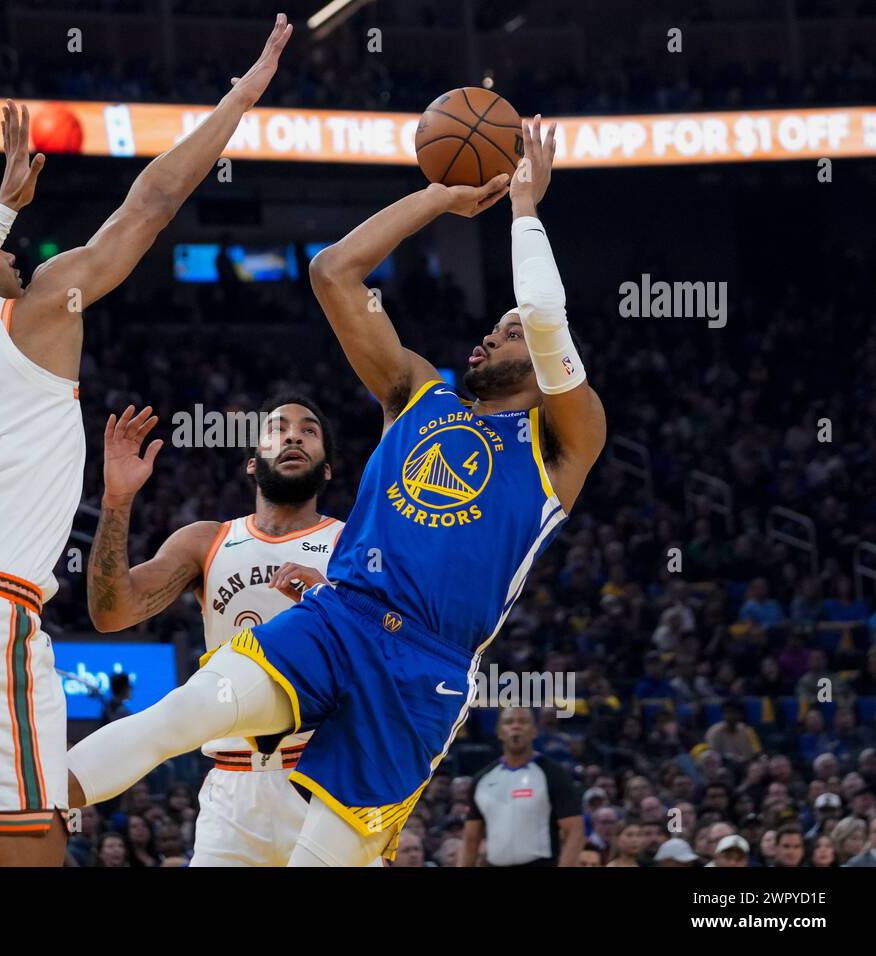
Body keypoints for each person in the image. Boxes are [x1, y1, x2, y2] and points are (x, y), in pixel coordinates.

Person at [66, 117, 607, 865]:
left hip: (427, 667)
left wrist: (523, 208)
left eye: (506, 333)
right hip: (342, 614)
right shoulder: (418, 393)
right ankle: (11, 811)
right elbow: (334, 273)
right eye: (492, 327)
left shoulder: (566, 442)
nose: (487, 336)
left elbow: (546, 317)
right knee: (180, 714)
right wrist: (440, 195)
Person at [0, 15, 293, 868]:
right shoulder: (39, 310)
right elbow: (152, 203)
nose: (12, 250)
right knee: (30, 851)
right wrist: (242, 94)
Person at [86, 398, 343, 867]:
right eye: (277, 430)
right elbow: (111, 613)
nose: (292, 437)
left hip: (326, 781)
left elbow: (390, 651)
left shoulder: (353, 545)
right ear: (251, 463)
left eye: (308, 431)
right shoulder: (206, 541)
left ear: (326, 468)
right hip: (232, 789)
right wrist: (117, 501)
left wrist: (333, 601)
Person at [462, 708, 584, 867]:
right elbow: (471, 840)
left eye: (523, 721)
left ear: (534, 731)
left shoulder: (554, 774)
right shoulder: (482, 780)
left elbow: (575, 832)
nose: (516, 726)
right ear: (499, 732)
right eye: (509, 722)